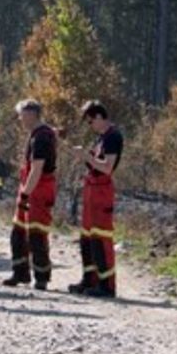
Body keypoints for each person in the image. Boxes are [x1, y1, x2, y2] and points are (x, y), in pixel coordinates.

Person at [69, 101, 124, 298]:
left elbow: (107, 167)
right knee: (87, 237)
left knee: (101, 237)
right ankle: (90, 279)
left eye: (91, 121)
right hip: (91, 189)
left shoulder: (113, 137)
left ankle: (106, 285)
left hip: (102, 191)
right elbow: (95, 162)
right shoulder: (101, 138)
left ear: (100, 117)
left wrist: (87, 156)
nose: (90, 125)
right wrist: (86, 155)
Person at [4, 99, 58, 291]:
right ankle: (20, 273)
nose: (20, 119)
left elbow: (37, 169)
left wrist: (26, 193)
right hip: (29, 188)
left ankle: (42, 276)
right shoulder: (38, 134)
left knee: (36, 234)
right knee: (18, 233)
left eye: (21, 115)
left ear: (31, 114)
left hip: (38, 190)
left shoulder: (41, 137)